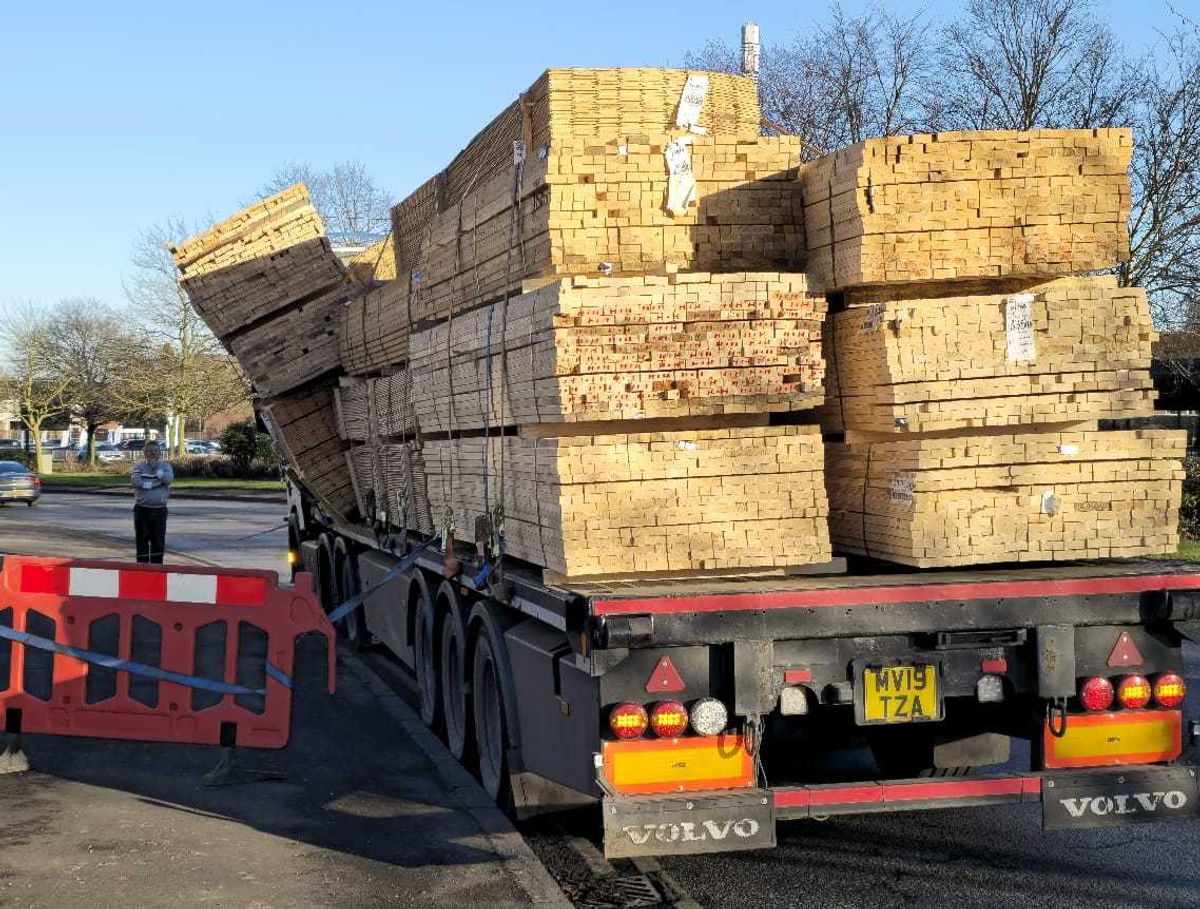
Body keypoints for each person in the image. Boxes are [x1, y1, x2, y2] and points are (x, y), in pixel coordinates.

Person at [131, 441, 173, 563]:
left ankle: (157, 568)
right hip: (142, 510)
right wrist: (154, 484)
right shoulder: (139, 467)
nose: (152, 453)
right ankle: (142, 569)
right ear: (145, 453)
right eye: (149, 451)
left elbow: (168, 480)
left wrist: (156, 469)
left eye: (155, 450)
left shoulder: (165, 466)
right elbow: (136, 483)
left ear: (159, 453)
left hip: (159, 510)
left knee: (158, 542)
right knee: (142, 541)